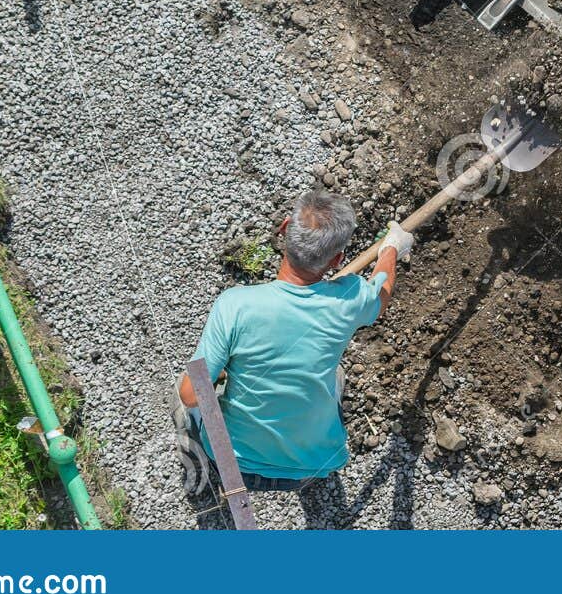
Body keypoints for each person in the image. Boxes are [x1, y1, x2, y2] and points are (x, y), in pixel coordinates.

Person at [173, 190, 413, 492]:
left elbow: (191, 394)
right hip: (312, 467)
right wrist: (391, 247)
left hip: (234, 462)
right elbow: (383, 290)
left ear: (285, 228)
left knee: (187, 390)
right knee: (335, 375)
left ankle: (193, 446)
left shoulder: (235, 305)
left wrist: (222, 374)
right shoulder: (350, 298)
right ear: (337, 259)